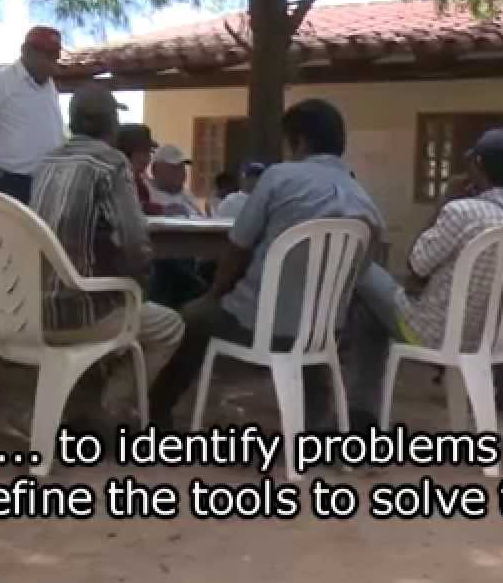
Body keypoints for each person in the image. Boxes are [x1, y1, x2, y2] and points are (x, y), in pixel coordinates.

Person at [148, 98, 384, 427]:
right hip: (323, 333)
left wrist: (214, 295)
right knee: (309, 331)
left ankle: (157, 413)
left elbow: (237, 248)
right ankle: (313, 426)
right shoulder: (365, 201)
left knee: (194, 317)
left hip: (258, 327)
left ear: (299, 141)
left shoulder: (278, 178)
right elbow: (359, 271)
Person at [349, 128, 503, 428]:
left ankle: (358, 414)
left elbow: (415, 265)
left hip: (434, 333)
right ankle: (359, 412)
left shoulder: (461, 211)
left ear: (478, 164)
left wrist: (444, 201)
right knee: (369, 313)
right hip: (490, 338)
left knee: (362, 271)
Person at [29, 82, 185, 425]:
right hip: (80, 314)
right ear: (112, 124)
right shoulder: (111, 163)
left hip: (27, 310)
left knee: (120, 298)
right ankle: (111, 409)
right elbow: (135, 242)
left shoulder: (47, 161)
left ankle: (80, 403)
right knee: (168, 325)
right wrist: (141, 282)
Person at [0, 27, 98, 204]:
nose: (52, 61)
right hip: (7, 183)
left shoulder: (49, 86)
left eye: (55, 55)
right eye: (46, 54)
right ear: (26, 51)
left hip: (46, 182)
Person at [115, 124, 164, 216]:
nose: (148, 158)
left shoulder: (141, 184)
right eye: (144, 151)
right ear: (125, 152)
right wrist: (163, 210)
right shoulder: (112, 179)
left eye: (150, 152)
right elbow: (126, 209)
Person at [147, 144, 204, 218]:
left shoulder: (188, 196)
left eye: (182, 166)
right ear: (155, 170)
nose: (180, 172)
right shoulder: (145, 193)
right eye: (173, 167)